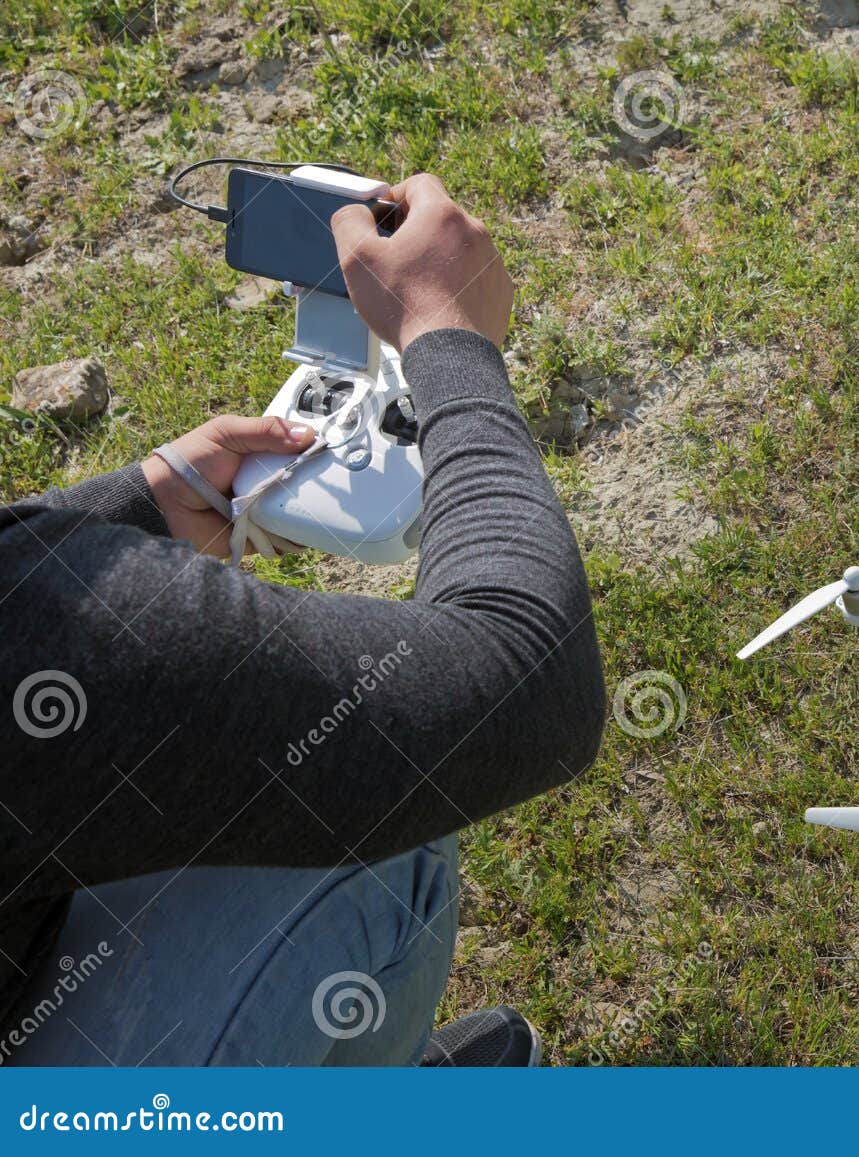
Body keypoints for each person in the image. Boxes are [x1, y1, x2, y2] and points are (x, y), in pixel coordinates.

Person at [0, 174, 606, 1065]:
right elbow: (523, 679)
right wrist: (450, 338)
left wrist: (125, 513)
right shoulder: (50, 644)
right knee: (371, 834)